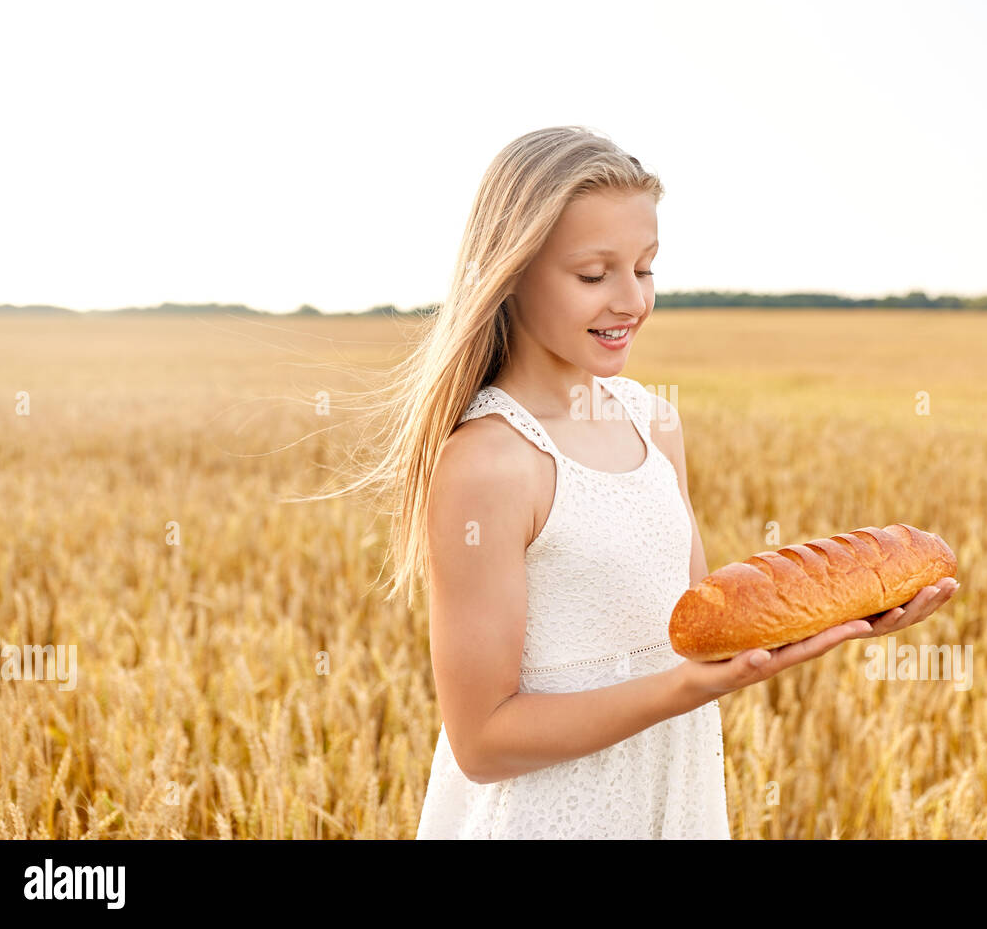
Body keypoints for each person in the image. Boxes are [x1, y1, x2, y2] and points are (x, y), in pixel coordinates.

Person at [366, 125, 957, 838]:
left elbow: (703, 636)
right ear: (512, 273)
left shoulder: (653, 422)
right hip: (547, 817)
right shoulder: (490, 461)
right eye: (594, 274)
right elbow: (483, 743)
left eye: (645, 269)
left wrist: (845, 611)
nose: (631, 301)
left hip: (672, 797)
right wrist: (682, 690)